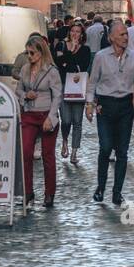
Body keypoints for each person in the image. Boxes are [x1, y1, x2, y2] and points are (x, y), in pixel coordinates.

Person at [85, 21, 134, 206]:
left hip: (125, 106)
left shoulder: (133, 56)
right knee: (106, 147)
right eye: (122, 34)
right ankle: (100, 187)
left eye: (126, 34)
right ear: (111, 38)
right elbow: (92, 82)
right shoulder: (101, 57)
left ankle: (117, 192)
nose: (126, 37)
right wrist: (89, 104)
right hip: (105, 106)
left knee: (122, 152)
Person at [17, 36, 63, 207]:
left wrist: (51, 117)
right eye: (27, 52)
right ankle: (28, 192)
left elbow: (58, 95)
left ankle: (49, 193)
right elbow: (18, 89)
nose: (29, 56)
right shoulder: (24, 70)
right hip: (29, 114)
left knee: (47, 155)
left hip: (46, 115)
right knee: (26, 152)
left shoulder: (51, 71)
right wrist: (24, 95)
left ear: (41, 52)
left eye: (32, 53)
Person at [53, 20, 92, 164]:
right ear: (69, 32)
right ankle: (64, 141)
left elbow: (82, 66)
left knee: (77, 121)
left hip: (78, 87)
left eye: (78, 32)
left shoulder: (86, 50)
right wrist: (71, 52)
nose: (75, 34)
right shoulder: (61, 45)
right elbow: (59, 64)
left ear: (82, 35)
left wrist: (68, 61)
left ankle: (74, 151)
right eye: (73, 31)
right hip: (64, 86)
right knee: (66, 120)